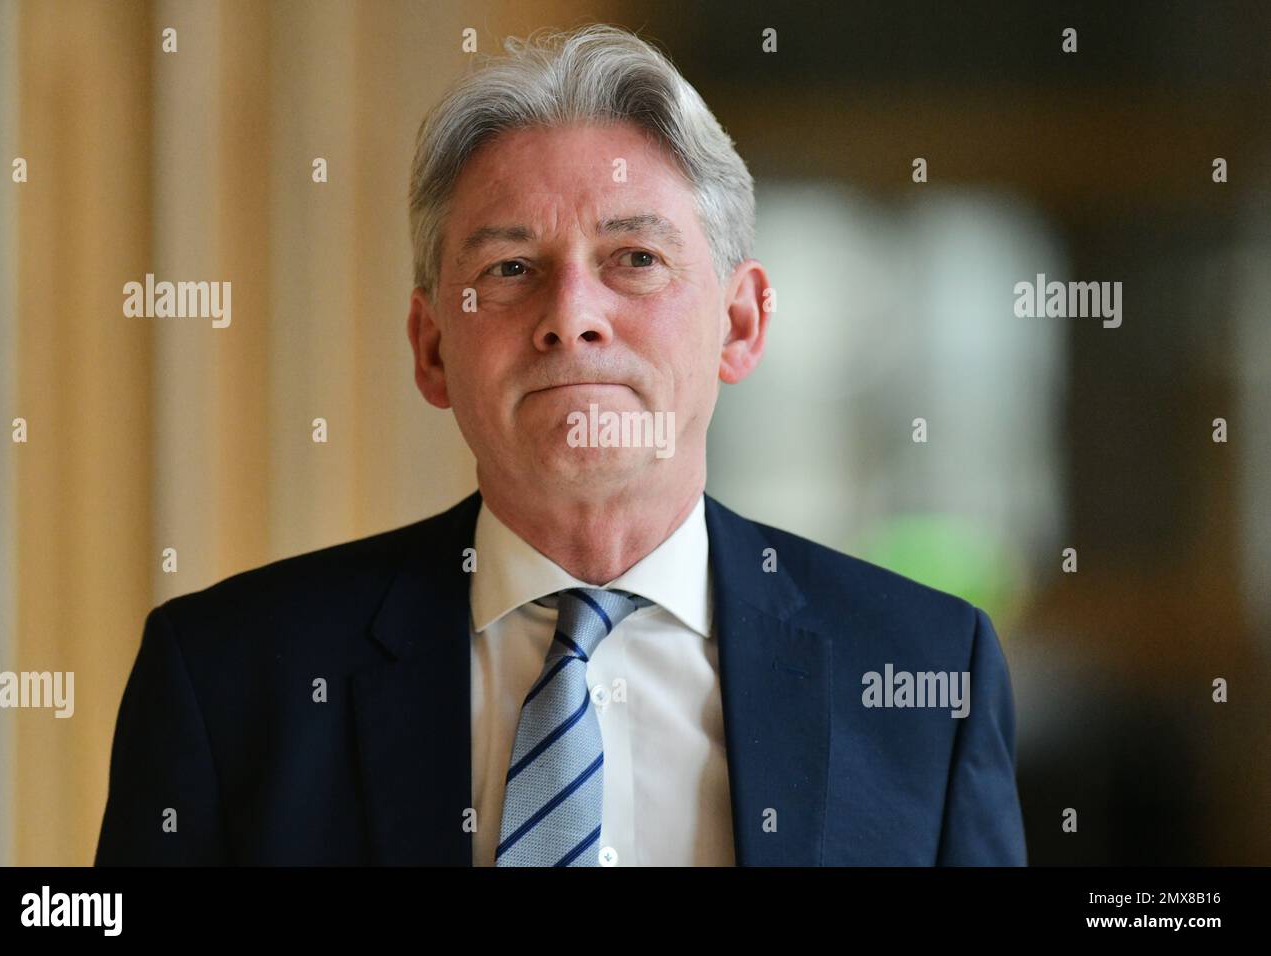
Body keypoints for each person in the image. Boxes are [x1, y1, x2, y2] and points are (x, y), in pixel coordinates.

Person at [95, 23, 1025, 867]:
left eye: (635, 259)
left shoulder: (927, 676)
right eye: (510, 269)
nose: (572, 317)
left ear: (740, 324)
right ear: (431, 350)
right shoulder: (228, 681)